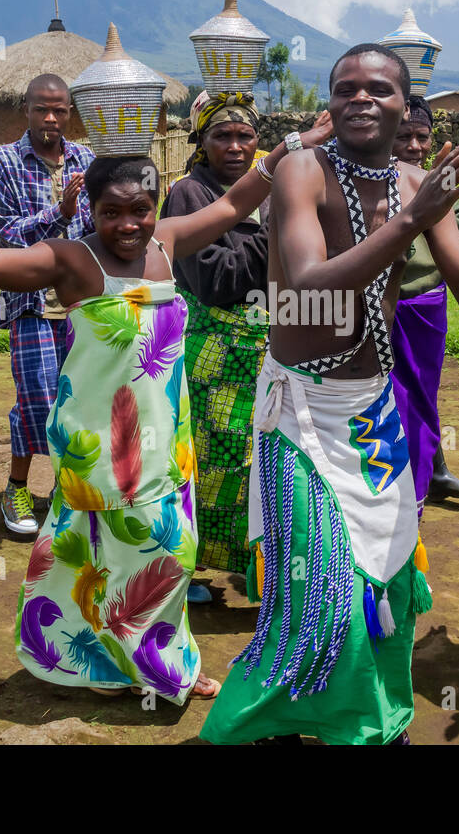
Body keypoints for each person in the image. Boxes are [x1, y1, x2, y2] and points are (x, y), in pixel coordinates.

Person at [0, 120, 334, 703]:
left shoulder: (165, 243)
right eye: (111, 212)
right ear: (89, 210)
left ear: (157, 205)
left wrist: (297, 144)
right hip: (97, 441)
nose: (128, 225)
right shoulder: (72, 261)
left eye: (141, 210)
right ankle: (107, 662)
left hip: (167, 439)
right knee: (103, 556)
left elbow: (235, 200)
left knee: (171, 555)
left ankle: (159, 661)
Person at [199, 44, 459, 745]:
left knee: (387, 578)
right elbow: (306, 286)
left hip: (371, 407)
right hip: (302, 408)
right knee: (318, 588)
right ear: (330, 102)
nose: (360, 99)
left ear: (405, 105)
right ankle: (278, 714)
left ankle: (370, 716)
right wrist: (411, 219)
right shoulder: (302, 171)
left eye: (378, 89)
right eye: (346, 88)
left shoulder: (415, 181)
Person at [157, 91, 275, 596]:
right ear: (201, 142)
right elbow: (215, 281)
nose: (234, 145)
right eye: (221, 135)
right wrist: (274, 240)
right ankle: (192, 569)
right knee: (210, 460)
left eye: (244, 135)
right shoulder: (190, 195)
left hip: (264, 350)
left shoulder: (271, 193)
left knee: (258, 462)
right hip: (212, 354)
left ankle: (255, 565)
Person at [0, 74, 95, 535]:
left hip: (82, 304)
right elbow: (8, 234)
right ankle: (17, 487)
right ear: (25, 109)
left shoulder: (86, 159)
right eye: (41, 109)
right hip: (31, 301)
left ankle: (69, 491)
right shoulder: (4, 162)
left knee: (84, 399)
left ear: (70, 112)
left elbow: (96, 229)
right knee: (37, 397)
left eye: (60, 110)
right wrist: (59, 214)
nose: (51, 118)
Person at [388, 94, 459, 510]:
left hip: (426, 307)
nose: (414, 146)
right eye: (404, 137)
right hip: (381, 306)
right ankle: (412, 481)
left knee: (421, 393)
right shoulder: (371, 182)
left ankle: (428, 473)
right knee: (391, 395)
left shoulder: (442, 185)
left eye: (422, 137)